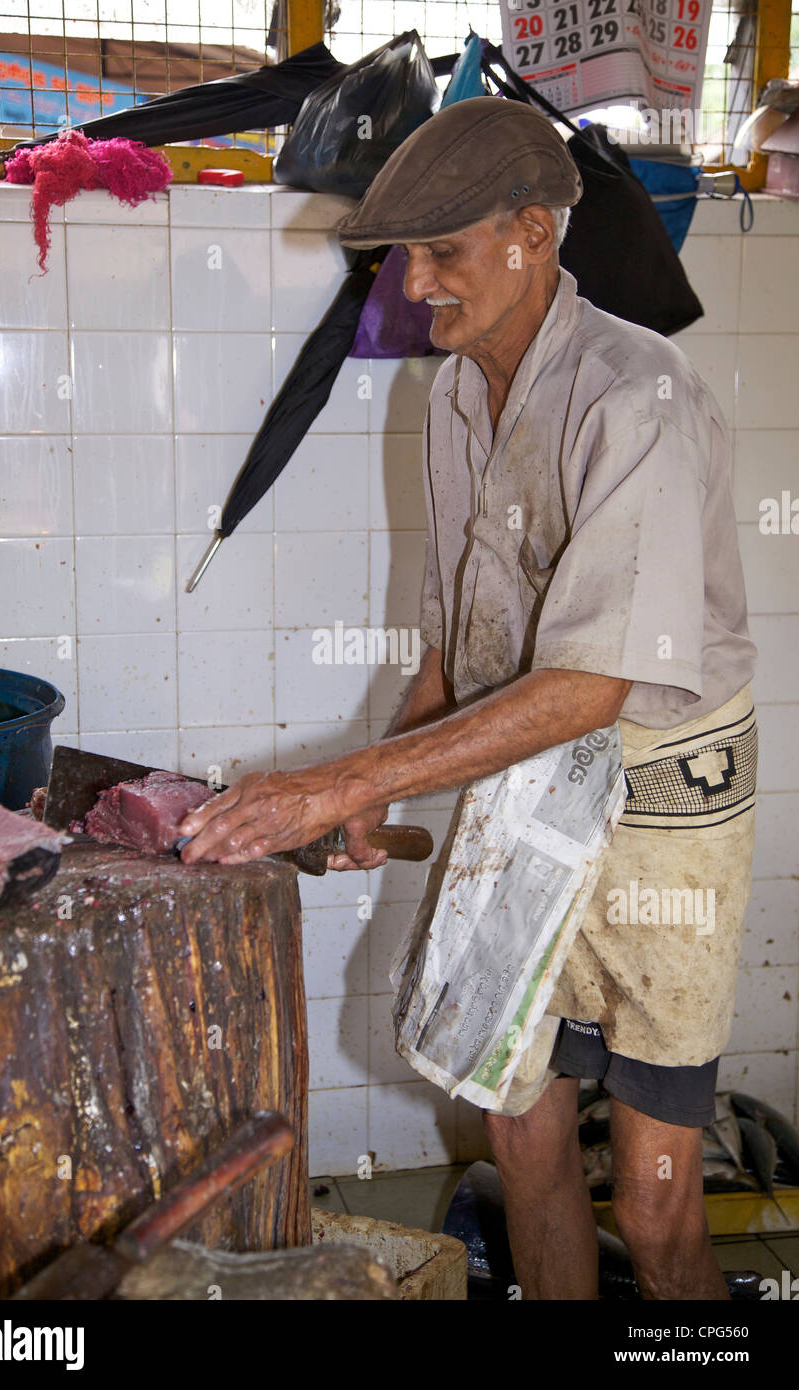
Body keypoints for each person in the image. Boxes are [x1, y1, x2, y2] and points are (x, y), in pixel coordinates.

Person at [179, 98, 757, 1300]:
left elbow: (592, 686)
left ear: (532, 235)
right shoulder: (445, 396)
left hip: (660, 804)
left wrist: (343, 778)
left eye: (441, 250)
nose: (412, 281)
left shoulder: (634, 396)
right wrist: (374, 782)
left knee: (653, 1209)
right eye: (403, 253)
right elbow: (454, 655)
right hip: (522, 781)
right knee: (518, 1123)